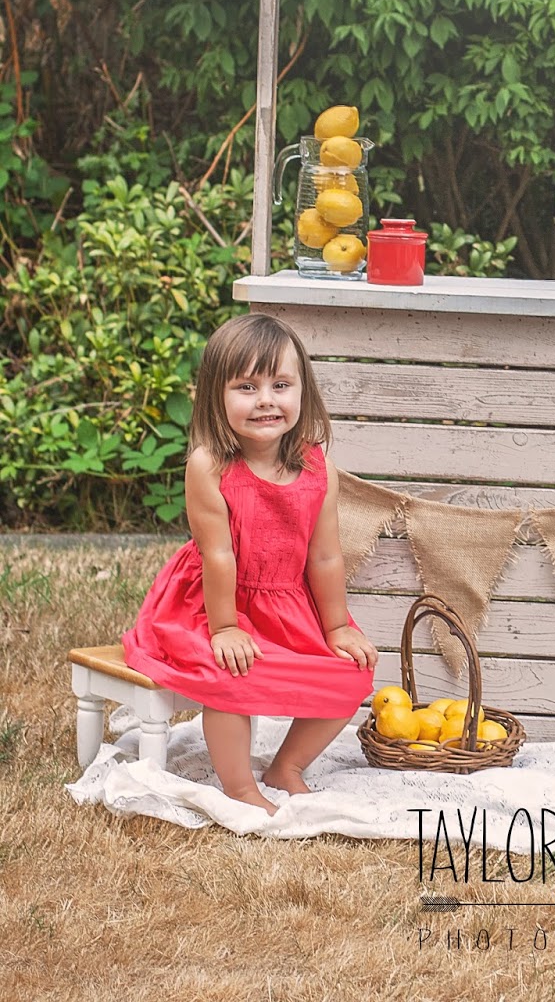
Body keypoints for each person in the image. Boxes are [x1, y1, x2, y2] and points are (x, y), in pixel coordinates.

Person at [123, 314, 377, 814]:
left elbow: (324, 554)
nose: (266, 399)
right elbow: (218, 555)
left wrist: (336, 626)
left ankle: (287, 767)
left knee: (352, 675)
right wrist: (223, 628)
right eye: (247, 386)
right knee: (228, 677)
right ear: (217, 396)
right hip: (213, 602)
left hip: (285, 602)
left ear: (302, 391)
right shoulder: (210, 464)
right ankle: (239, 786)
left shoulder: (315, 466)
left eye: (281, 384)